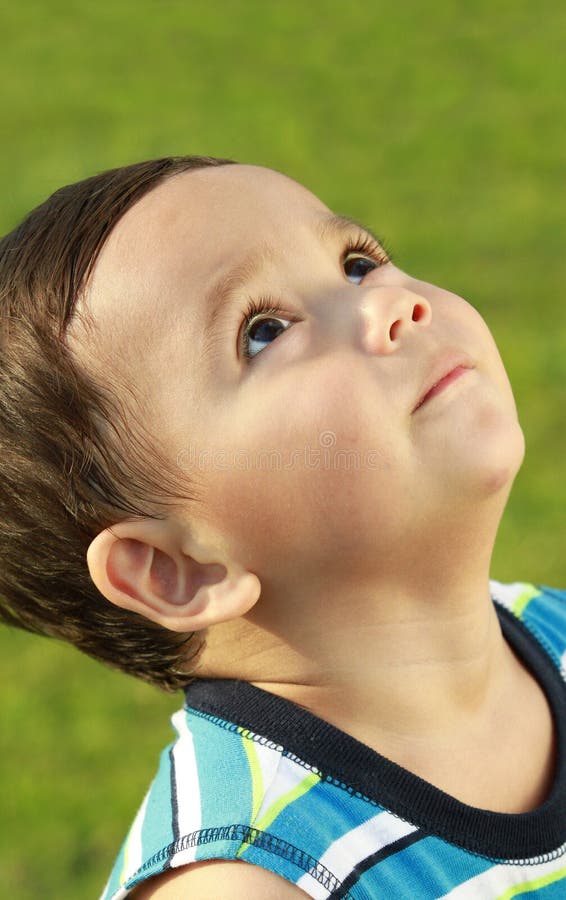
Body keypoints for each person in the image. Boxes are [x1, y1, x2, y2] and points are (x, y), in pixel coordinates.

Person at [0, 156, 564, 900]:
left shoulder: (553, 630)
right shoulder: (250, 880)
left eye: (357, 263)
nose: (393, 302)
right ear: (177, 569)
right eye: (264, 331)